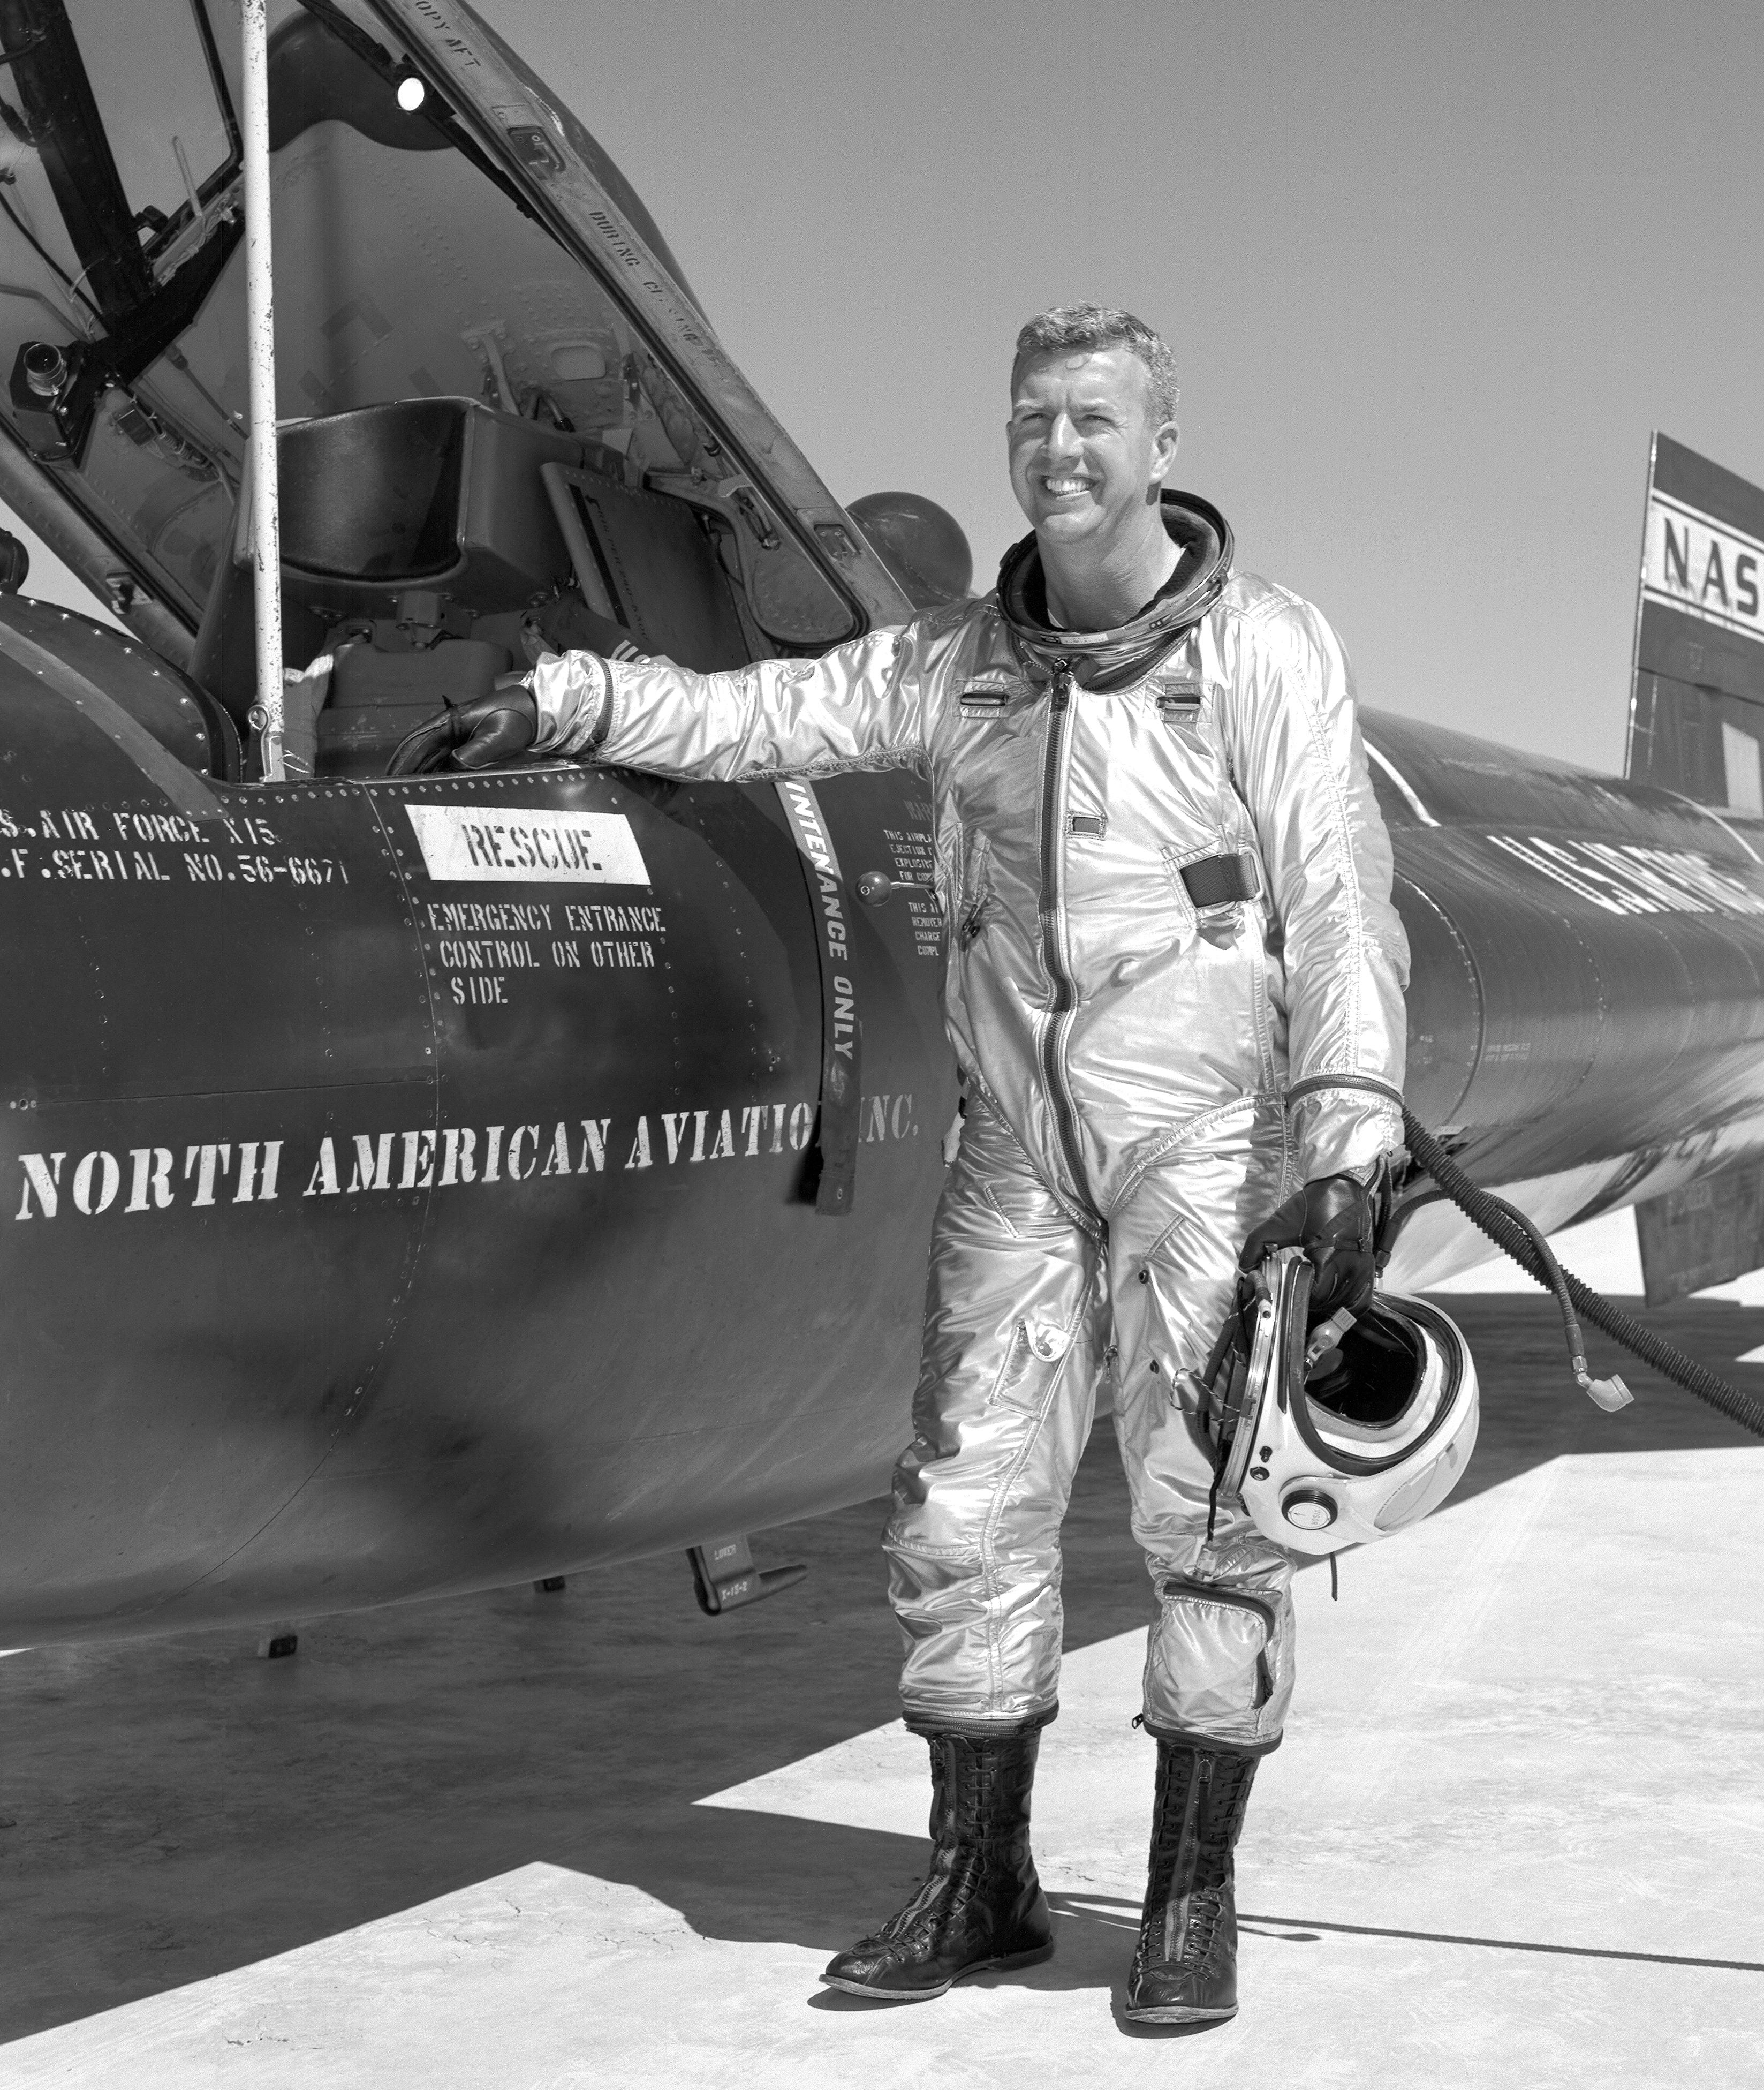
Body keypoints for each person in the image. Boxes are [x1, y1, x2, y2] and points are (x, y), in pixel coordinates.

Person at [411, 304, 1409, 2025]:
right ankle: (978, 1878)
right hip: (1019, 1149)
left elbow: (1334, 899)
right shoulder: (959, 663)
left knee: (1212, 1508)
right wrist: (564, 697)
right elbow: (756, 716)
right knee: (964, 1509)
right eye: (1033, 419)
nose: (1058, 450)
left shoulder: (1261, 650)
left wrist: (1349, 1141)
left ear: (1161, 443)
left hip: (1209, 1145)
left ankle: (1187, 1892)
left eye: (1094, 419)